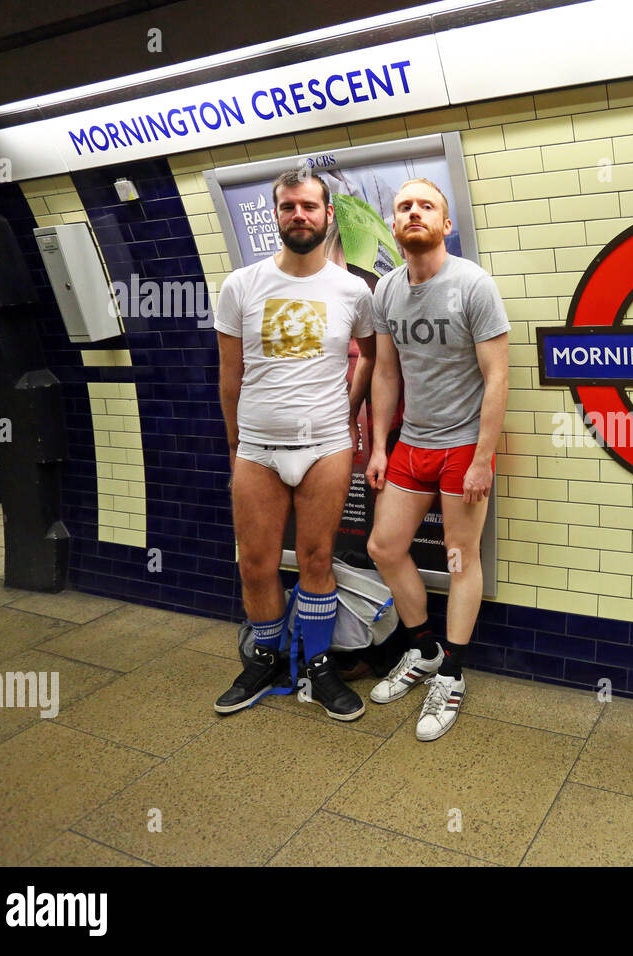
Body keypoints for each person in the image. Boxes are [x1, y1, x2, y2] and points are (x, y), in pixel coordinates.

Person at [213, 169, 376, 721]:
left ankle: (317, 662)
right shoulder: (241, 285)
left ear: (329, 215)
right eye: (288, 207)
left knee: (316, 558)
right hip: (257, 447)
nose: (299, 215)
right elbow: (229, 374)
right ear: (277, 216)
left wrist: (348, 414)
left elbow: (372, 357)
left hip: (326, 444)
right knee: (255, 563)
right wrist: (236, 442)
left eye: (310, 206)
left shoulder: (354, 289)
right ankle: (265, 658)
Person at [364, 178, 509, 742]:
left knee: (457, 557)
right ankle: (424, 651)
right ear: (395, 226)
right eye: (404, 207)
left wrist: (482, 458)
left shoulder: (472, 284)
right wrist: (378, 445)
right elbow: (385, 371)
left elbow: (498, 375)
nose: (414, 212)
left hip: (463, 448)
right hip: (412, 444)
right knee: (384, 546)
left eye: (427, 205)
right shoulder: (386, 292)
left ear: (446, 224)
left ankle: (451, 676)